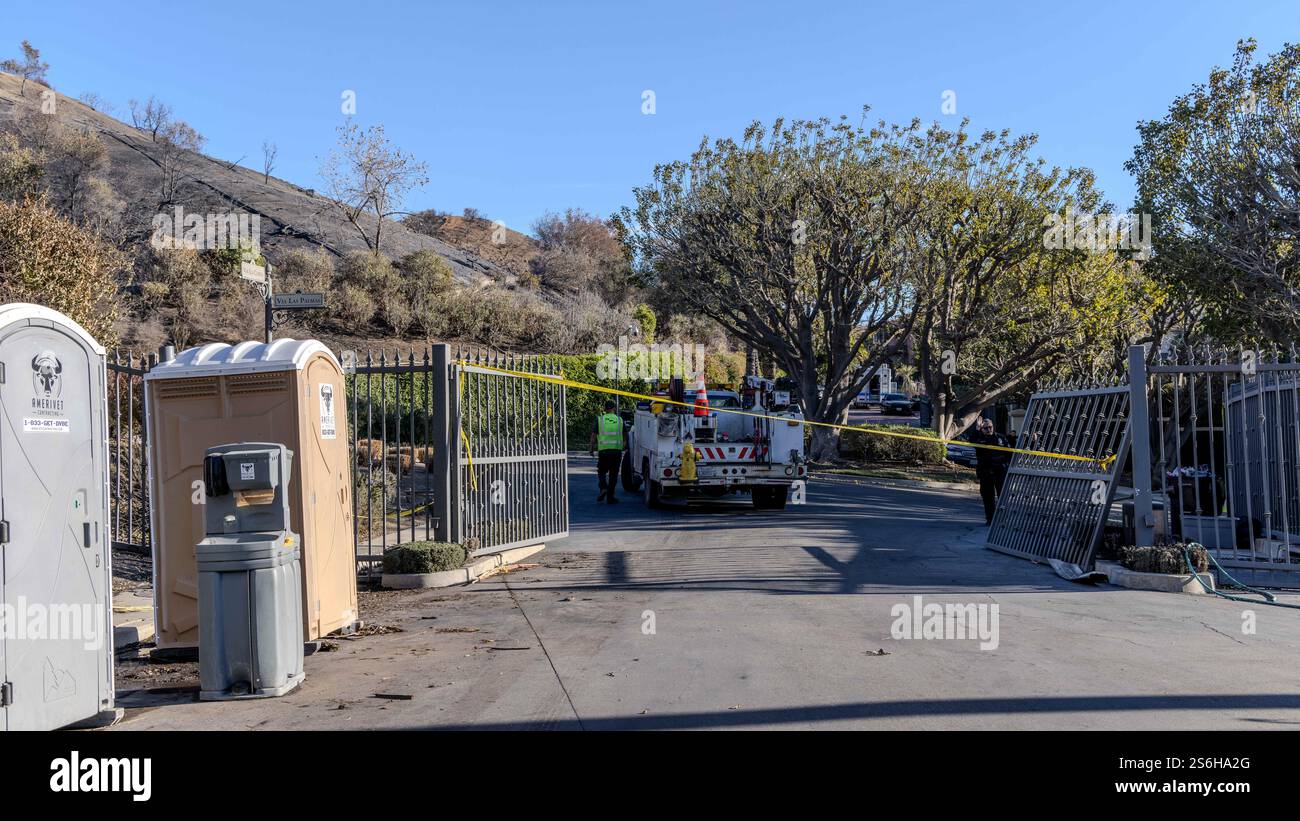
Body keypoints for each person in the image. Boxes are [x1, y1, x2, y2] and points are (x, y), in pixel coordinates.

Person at [970, 417, 1010, 525]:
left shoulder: (1001, 438)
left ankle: (1003, 519)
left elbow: (1009, 453)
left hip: (1000, 472)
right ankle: (990, 519)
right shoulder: (979, 439)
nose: (989, 429)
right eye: (986, 428)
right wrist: (977, 429)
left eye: (990, 427)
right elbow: (972, 441)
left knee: (1002, 497)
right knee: (988, 497)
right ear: (982, 429)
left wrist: (1006, 466)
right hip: (985, 472)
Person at [588, 399, 624, 504]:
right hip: (616, 451)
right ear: (614, 409)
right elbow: (625, 435)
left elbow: (594, 434)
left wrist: (591, 448)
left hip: (604, 451)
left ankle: (603, 487)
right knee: (613, 474)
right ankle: (610, 497)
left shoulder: (600, 420)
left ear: (605, 409)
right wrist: (623, 446)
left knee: (601, 471)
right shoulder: (619, 420)